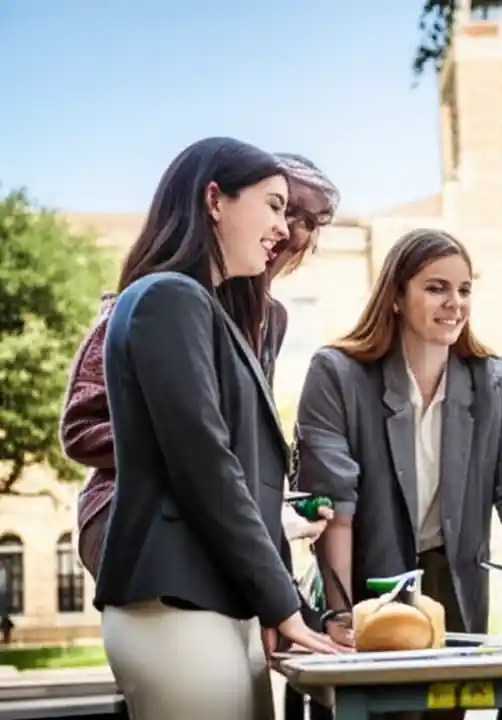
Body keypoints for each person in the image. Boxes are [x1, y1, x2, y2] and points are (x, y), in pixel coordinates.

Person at [92, 137, 349, 720]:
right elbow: (206, 466)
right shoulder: (167, 298)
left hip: (215, 602)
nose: (284, 230)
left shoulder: (205, 308)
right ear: (215, 199)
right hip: (174, 605)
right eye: (275, 205)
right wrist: (283, 605)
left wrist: (265, 600)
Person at [62, 151, 342, 578]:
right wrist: (193, 455)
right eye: (282, 207)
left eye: (311, 221)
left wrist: (267, 496)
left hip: (219, 518)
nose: (293, 231)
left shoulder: (273, 320)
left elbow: (235, 443)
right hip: (132, 515)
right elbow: (81, 429)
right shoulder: (160, 297)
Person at [296, 228, 502, 641]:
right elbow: (334, 506)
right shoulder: (337, 374)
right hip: (363, 586)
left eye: (464, 290)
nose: (454, 304)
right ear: (396, 297)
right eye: (436, 288)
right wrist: (339, 615)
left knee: (446, 703)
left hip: (453, 589)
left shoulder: (495, 380)